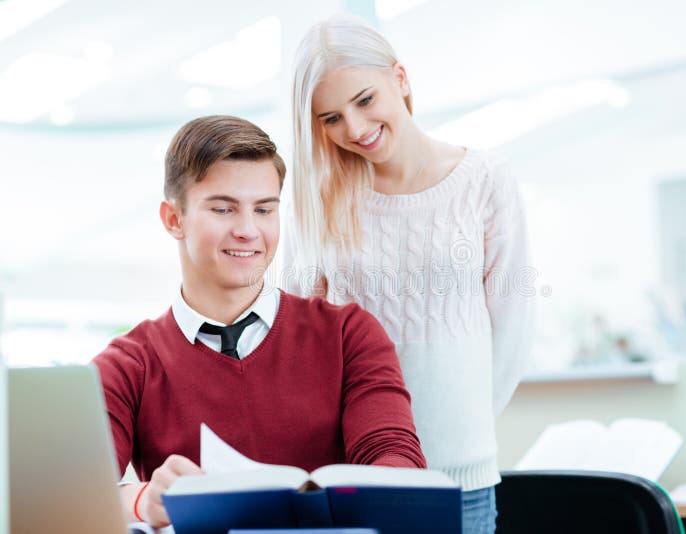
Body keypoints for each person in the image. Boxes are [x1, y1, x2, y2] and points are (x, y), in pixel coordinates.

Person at [92, 115, 426, 529]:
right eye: (223, 209)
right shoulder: (129, 363)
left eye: (264, 209)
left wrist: (381, 490)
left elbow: (394, 453)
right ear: (174, 219)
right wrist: (144, 499)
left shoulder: (347, 334)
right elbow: (76, 492)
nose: (249, 230)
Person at [285, 14, 535, 534]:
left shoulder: (484, 179)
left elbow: (513, 323)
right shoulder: (320, 202)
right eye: (329, 118)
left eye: (364, 100)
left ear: (399, 79)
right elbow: (298, 344)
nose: (354, 129)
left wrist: (463, 432)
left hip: (460, 477)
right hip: (357, 478)